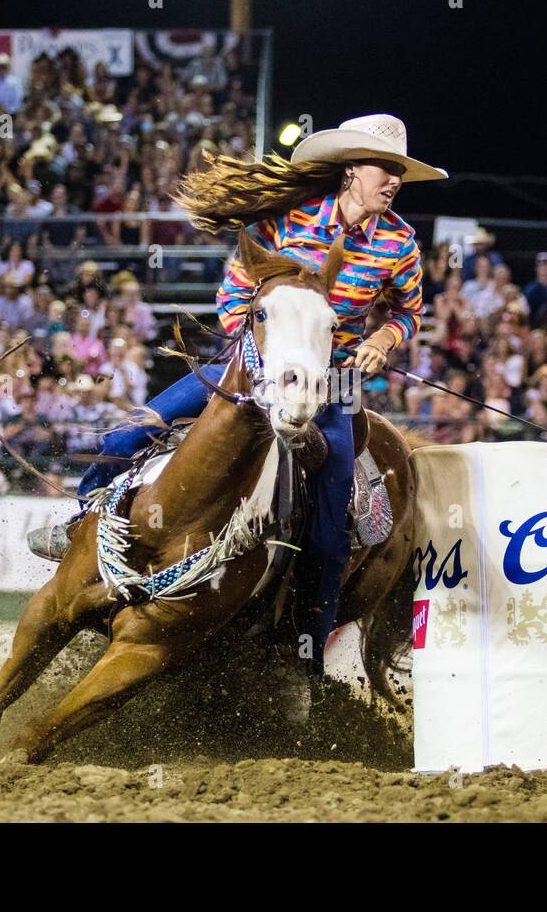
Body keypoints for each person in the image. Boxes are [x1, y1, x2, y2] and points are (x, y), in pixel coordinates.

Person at [30, 113, 447, 673]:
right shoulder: (286, 219)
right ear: (351, 170)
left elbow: (409, 311)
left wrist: (383, 337)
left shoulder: (399, 241)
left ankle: (305, 658)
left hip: (334, 385)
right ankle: (77, 524)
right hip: (251, 369)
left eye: (398, 171)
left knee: (328, 530)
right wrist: (260, 351)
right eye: (383, 168)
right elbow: (233, 295)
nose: (392, 180)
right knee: (134, 430)